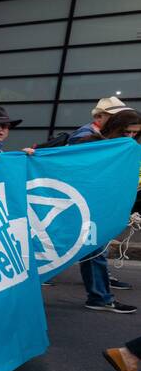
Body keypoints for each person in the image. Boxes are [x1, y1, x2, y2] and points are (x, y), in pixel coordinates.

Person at [68, 107, 140, 313]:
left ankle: (99, 297)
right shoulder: (90, 143)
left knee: (95, 252)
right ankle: (99, 297)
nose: (131, 136)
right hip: (82, 206)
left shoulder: (130, 149)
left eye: (135, 132)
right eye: (127, 132)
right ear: (115, 128)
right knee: (92, 251)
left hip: (102, 209)